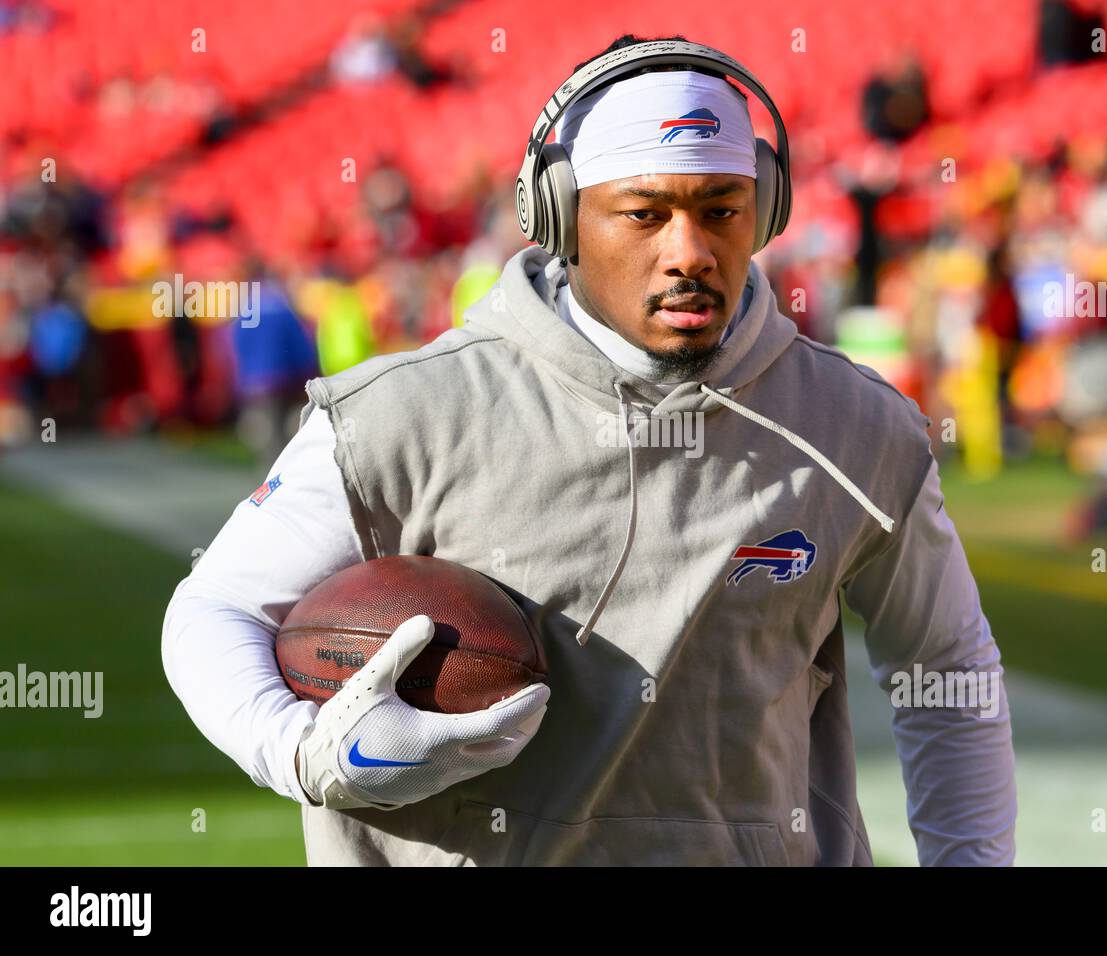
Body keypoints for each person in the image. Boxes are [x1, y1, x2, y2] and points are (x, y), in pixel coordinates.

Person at [161, 34, 1016, 866]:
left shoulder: (853, 426)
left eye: (721, 210)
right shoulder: (404, 415)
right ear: (560, 215)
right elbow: (213, 612)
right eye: (645, 214)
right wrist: (307, 753)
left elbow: (948, 665)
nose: (689, 252)